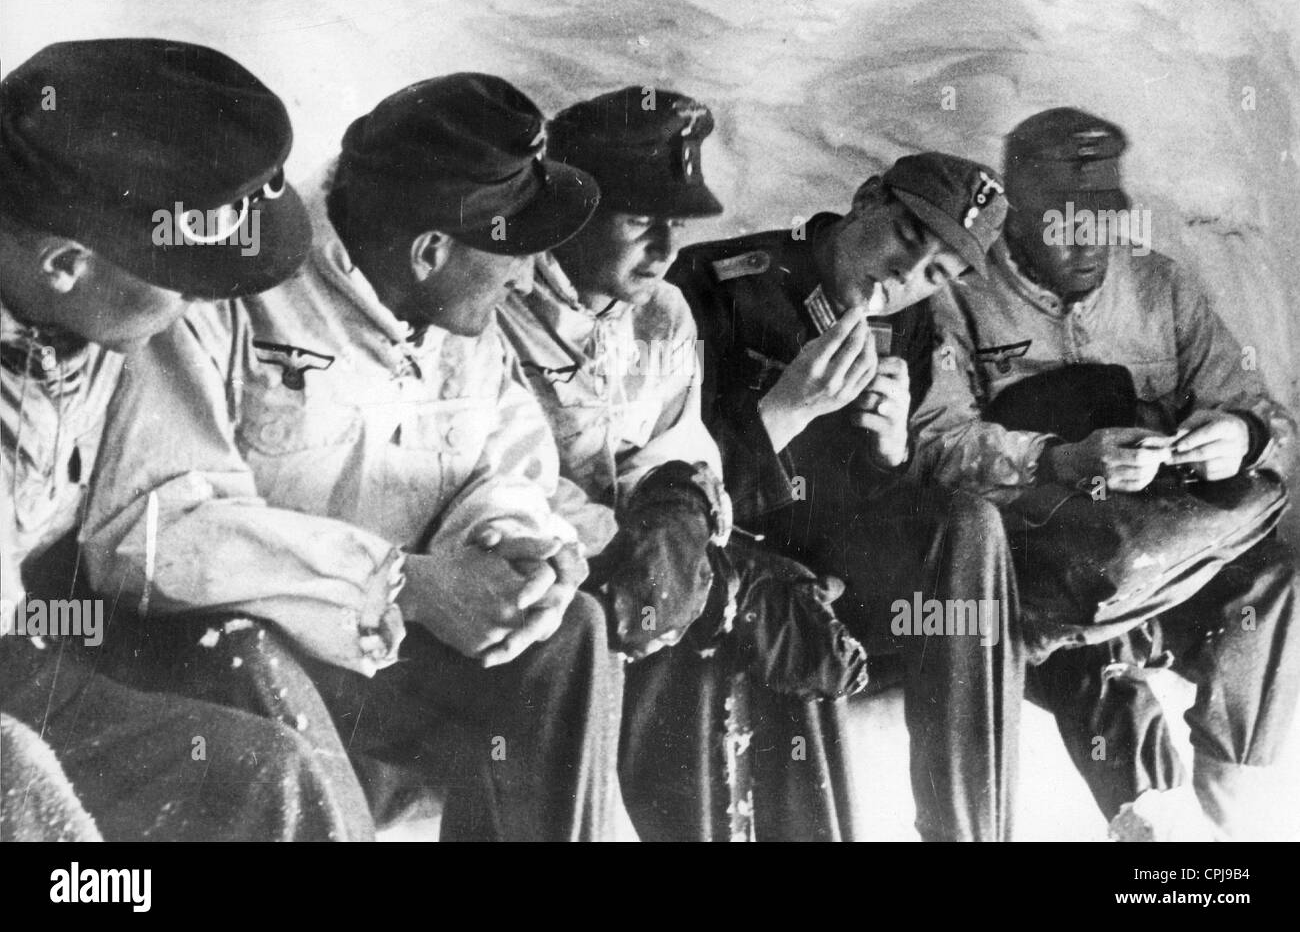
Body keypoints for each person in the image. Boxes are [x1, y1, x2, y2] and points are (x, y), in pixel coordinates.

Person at [82, 71, 626, 842]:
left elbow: (504, 467)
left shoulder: (460, 319)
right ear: (431, 249)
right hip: (244, 651)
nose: (527, 274)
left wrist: (512, 550)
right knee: (251, 652)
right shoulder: (233, 291)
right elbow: (147, 535)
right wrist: (403, 584)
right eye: (516, 250)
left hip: (385, 655)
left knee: (572, 630)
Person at [0, 37, 372, 841]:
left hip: (44, 617)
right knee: (254, 773)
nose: (195, 308)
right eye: (184, 282)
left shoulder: (66, 300)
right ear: (66, 264)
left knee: (249, 662)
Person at [911, 106, 1300, 840]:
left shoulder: (1161, 288)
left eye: (1104, 218)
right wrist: (1058, 457)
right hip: (1047, 566)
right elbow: (936, 444)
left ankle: (1233, 823)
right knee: (1097, 667)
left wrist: (1237, 436)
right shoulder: (959, 296)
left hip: (1163, 547)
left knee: (1276, 582)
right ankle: (1167, 840)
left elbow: (1259, 410)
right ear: (1017, 220)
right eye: (1065, 223)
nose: (1091, 241)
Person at [498, 86, 868, 841]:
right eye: (640, 221)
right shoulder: (499, 306)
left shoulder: (662, 313)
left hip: (638, 574)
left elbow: (678, 449)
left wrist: (686, 522)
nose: (666, 250)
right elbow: (504, 479)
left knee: (774, 626)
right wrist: (662, 550)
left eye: (679, 225)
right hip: (542, 577)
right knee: (706, 626)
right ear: (570, 208)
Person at [668, 152, 1022, 842]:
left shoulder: (912, 322)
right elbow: (672, 488)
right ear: (865, 199)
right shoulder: (715, 282)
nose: (905, 278)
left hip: (840, 567)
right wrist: (784, 411)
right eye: (908, 240)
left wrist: (892, 453)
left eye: (937, 274)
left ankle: (968, 831)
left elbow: (873, 498)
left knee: (972, 520)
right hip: (743, 568)